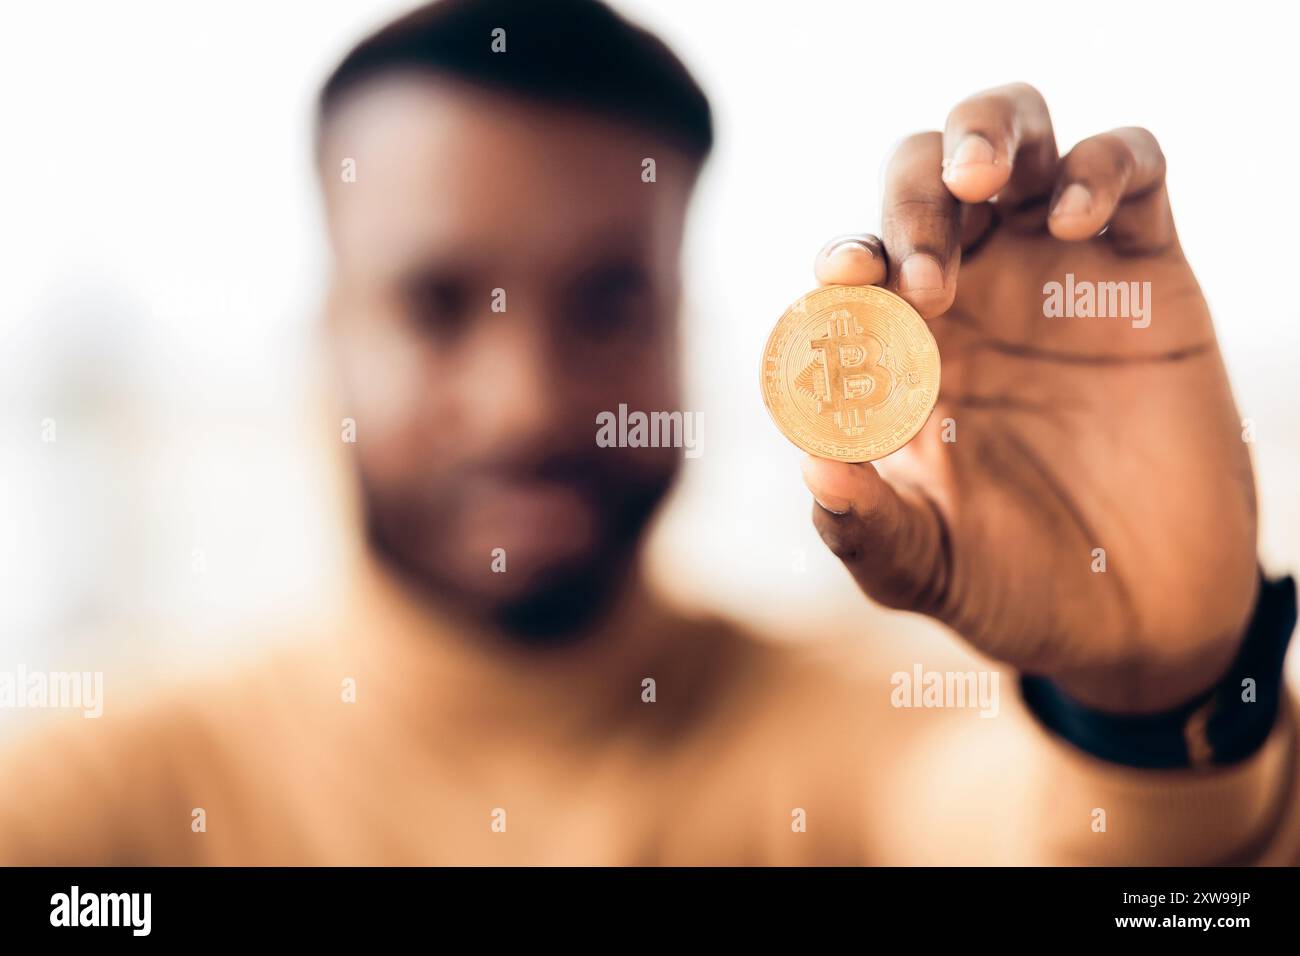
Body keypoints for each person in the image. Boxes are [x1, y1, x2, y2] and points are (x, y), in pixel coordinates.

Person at [1, 0, 1295, 865]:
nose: (526, 402)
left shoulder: (852, 753)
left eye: (611, 302)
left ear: (686, 322)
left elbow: (1089, 850)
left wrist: (1163, 689)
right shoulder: (99, 797)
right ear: (323, 334)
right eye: (437, 305)